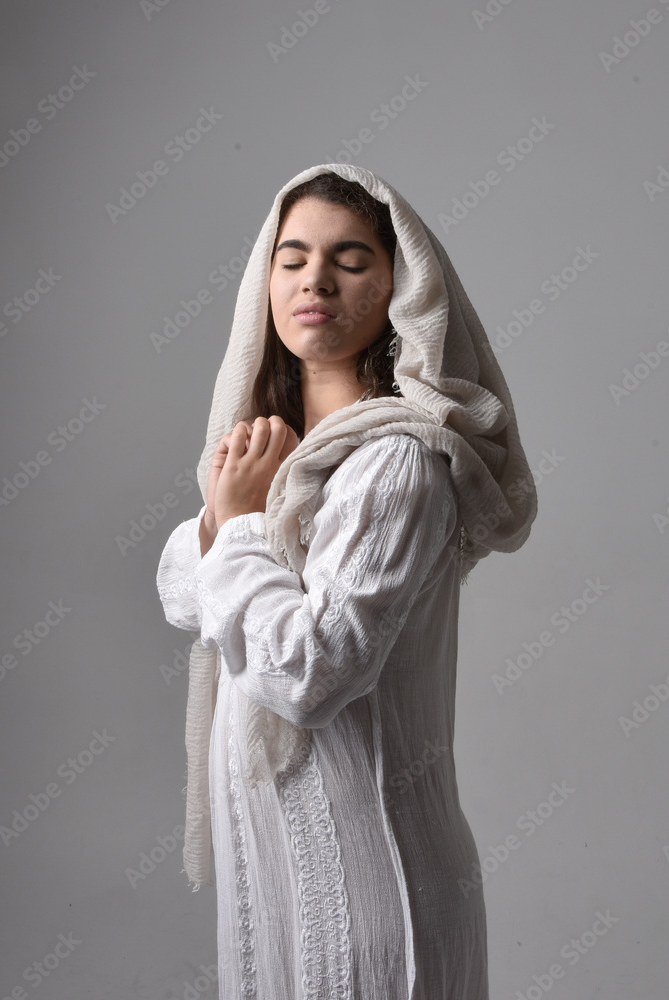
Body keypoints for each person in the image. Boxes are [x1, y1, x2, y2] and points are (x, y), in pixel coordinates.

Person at [156, 164, 538, 1000]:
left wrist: (239, 523)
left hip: (374, 891)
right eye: (291, 258)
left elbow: (309, 671)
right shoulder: (266, 450)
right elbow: (184, 593)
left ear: (400, 286)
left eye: (350, 259)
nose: (314, 281)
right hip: (270, 889)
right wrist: (232, 519)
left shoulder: (398, 460)